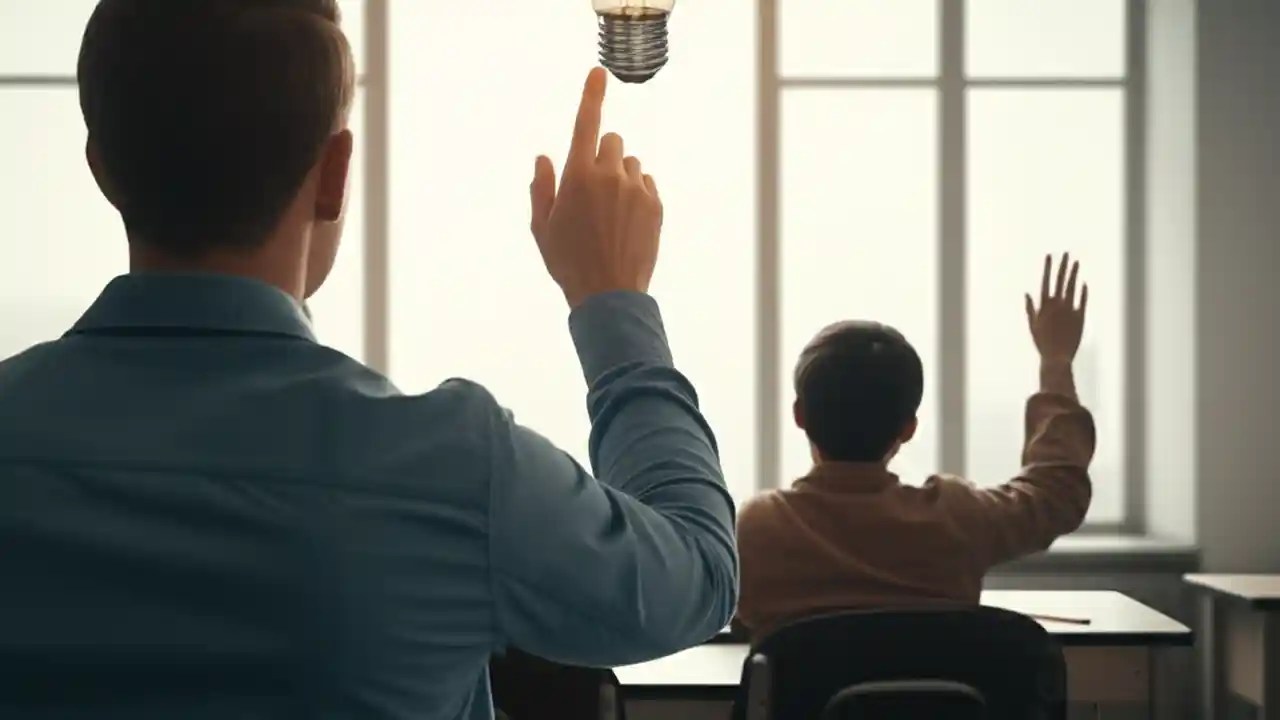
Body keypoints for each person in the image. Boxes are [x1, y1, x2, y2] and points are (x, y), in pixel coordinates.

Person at [0, 2, 736, 719]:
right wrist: (611, 300)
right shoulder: (452, 468)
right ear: (334, 171)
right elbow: (700, 571)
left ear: (102, 167)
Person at [735, 254, 1094, 640]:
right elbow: (1056, 493)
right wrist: (1055, 362)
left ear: (799, 414)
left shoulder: (758, 528)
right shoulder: (957, 518)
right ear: (908, 428)